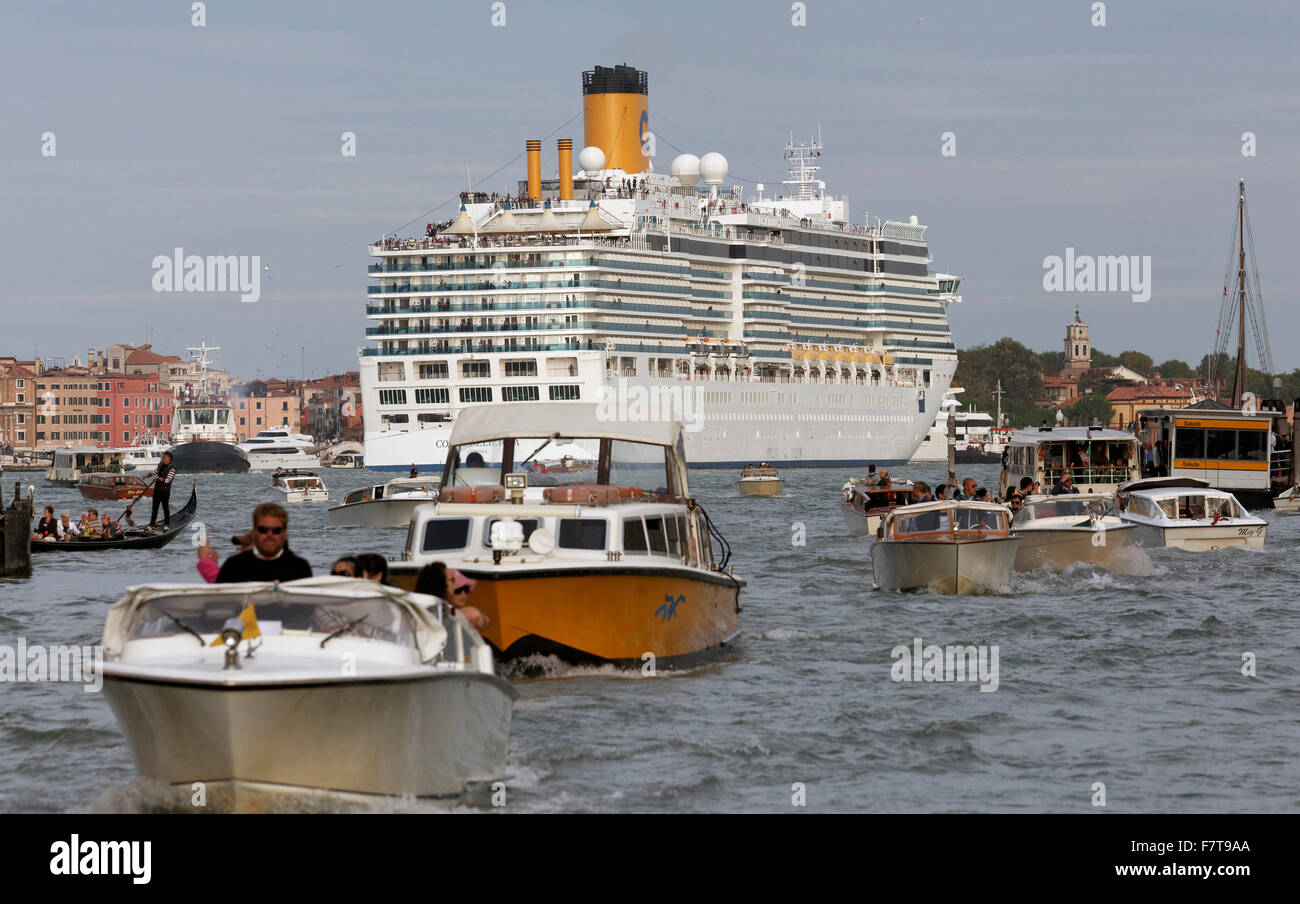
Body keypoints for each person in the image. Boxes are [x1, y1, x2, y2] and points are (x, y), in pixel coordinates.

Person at [206, 503, 313, 583]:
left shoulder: (300, 568)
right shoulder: (234, 566)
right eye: (263, 529)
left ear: (284, 534)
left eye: (276, 530)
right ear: (254, 532)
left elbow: (309, 609)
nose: (270, 534)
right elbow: (217, 607)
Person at [414, 562, 491, 631]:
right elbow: (472, 614)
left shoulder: (427, 604)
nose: (454, 584)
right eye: (451, 580)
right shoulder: (436, 607)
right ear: (440, 583)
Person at [148, 451, 176, 530]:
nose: (163, 458)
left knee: (165, 508)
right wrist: (147, 475)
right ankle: (152, 524)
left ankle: (166, 524)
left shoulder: (172, 469)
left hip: (165, 491)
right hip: (157, 490)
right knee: (155, 508)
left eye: (165, 457)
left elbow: (168, 480)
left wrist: (158, 478)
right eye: (163, 457)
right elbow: (155, 471)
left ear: (169, 459)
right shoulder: (161, 466)